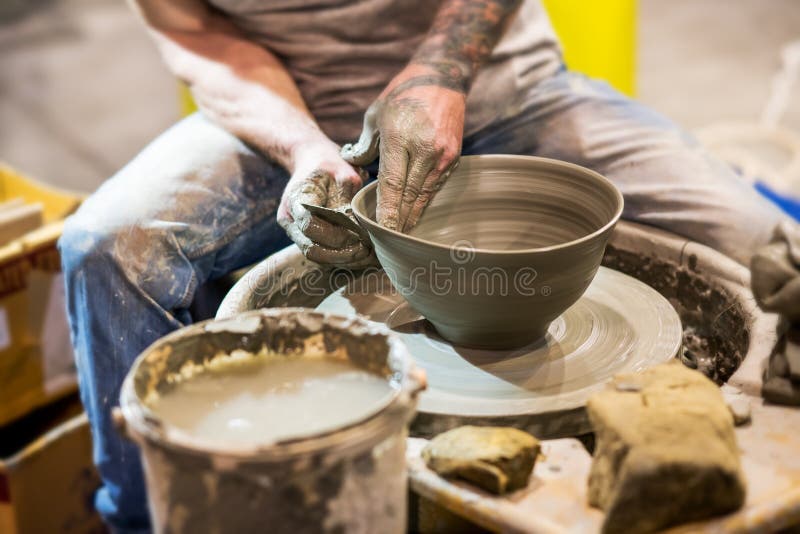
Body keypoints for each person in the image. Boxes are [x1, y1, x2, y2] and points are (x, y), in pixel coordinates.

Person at [59, 0, 793, 531]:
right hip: (296, 111)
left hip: (504, 86)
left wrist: (438, 74)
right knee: (107, 250)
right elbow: (193, 32)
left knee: (768, 246)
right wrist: (303, 148)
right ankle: (146, 516)